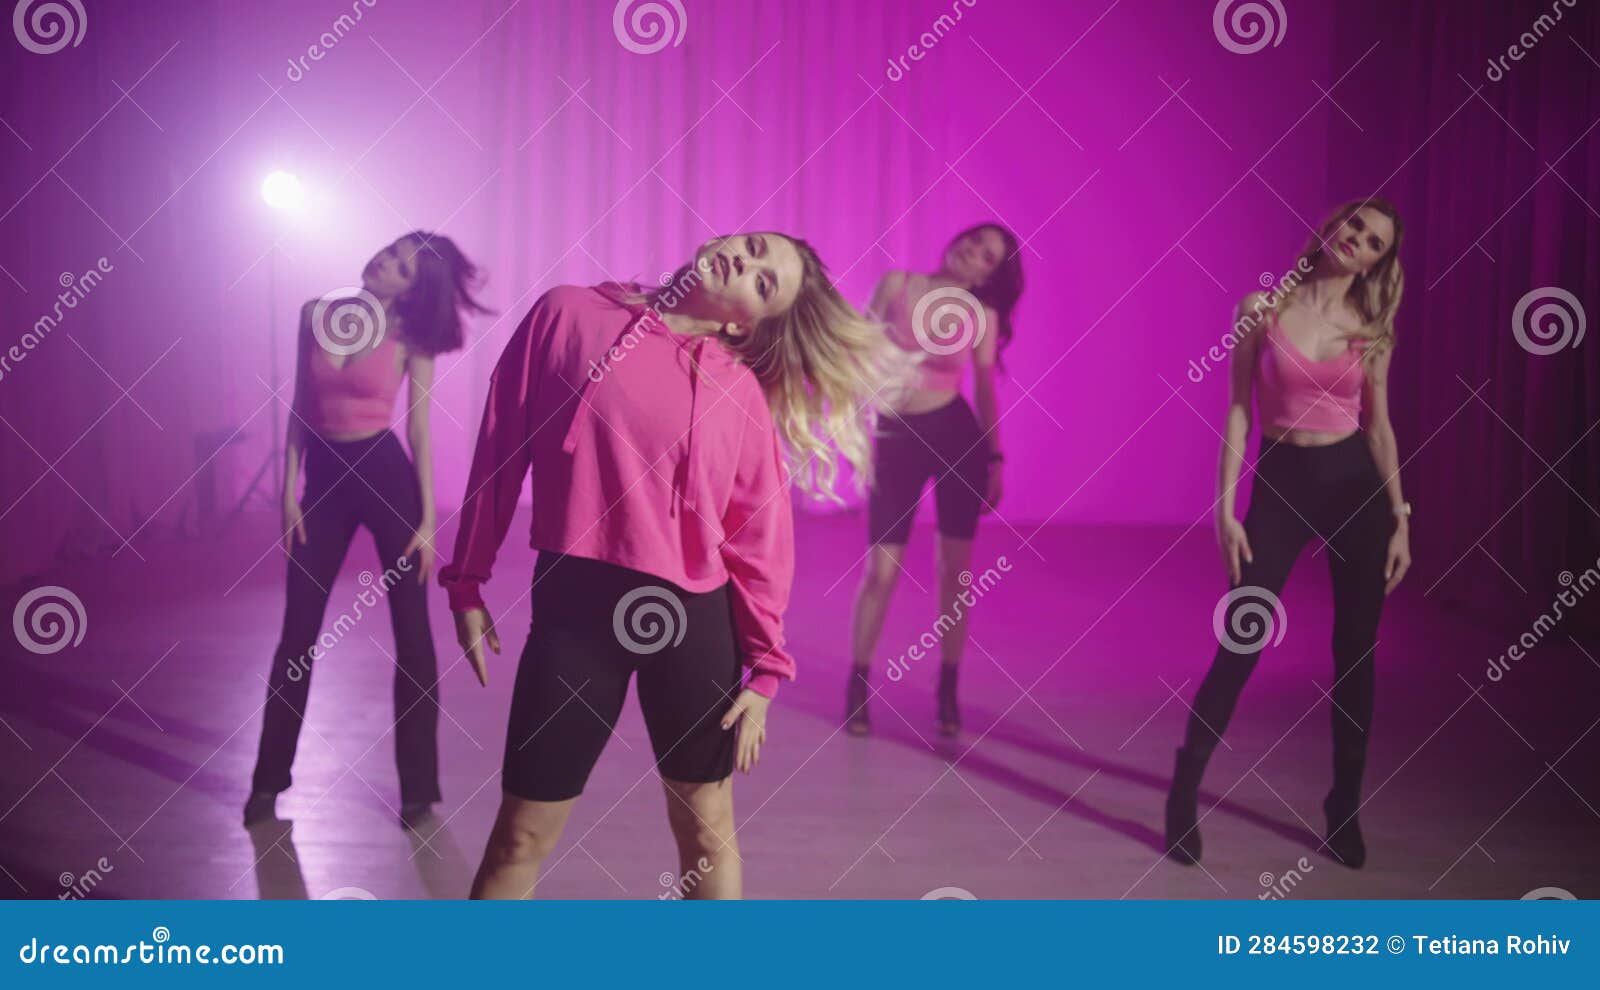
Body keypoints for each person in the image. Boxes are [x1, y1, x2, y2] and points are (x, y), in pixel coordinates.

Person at [439, 232, 904, 898]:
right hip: (576, 609)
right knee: (518, 836)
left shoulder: (738, 391)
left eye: (763, 281)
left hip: (691, 621)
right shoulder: (568, 313)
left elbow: (757, 537)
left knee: (706, 832)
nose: (746, 260)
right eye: (753, 245)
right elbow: (500, 444)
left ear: (745, 320)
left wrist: (768, 667)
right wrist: (466, 579)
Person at [1165, 198, 1413, 869]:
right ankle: (1184, 791)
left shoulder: (1373, 325)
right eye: (1353, 227)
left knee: (1355, 653)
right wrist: (1224, 510)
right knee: (1242, 636)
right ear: (1330, 227)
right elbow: (1240, 413)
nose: (1356, 241)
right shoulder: (1261, 307)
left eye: (1372, 242)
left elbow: (1379, 429)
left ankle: (1344, 809)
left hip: (1355, 488)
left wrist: (1401, 520)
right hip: (1281, 483)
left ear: (1376, 262)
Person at [245, 232, 489, 830]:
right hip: (322, 484)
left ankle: (418, 791)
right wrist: (288, 489)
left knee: (412, 636)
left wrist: (429, 520)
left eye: (400, 265)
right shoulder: (314, 313)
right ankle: (266, 786)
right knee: (296, 637)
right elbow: (301, 403)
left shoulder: (411, 338)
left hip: (386, 479)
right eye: (390, 250)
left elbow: (421, 430)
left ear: (411, 289)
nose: (384, 260)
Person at [845, 223, 1024, 736]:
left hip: (956, 437)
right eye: (974, 241)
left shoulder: (981, 315)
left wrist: (995, 458)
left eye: (987, 256)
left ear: (991, 274)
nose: (973, 252)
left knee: (955, 571)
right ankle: (858, 681)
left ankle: (948, 682)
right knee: (880, 571)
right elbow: (858, 354)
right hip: (896, 437)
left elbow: (985, 387)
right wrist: (854, 423)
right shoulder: (896, 285)